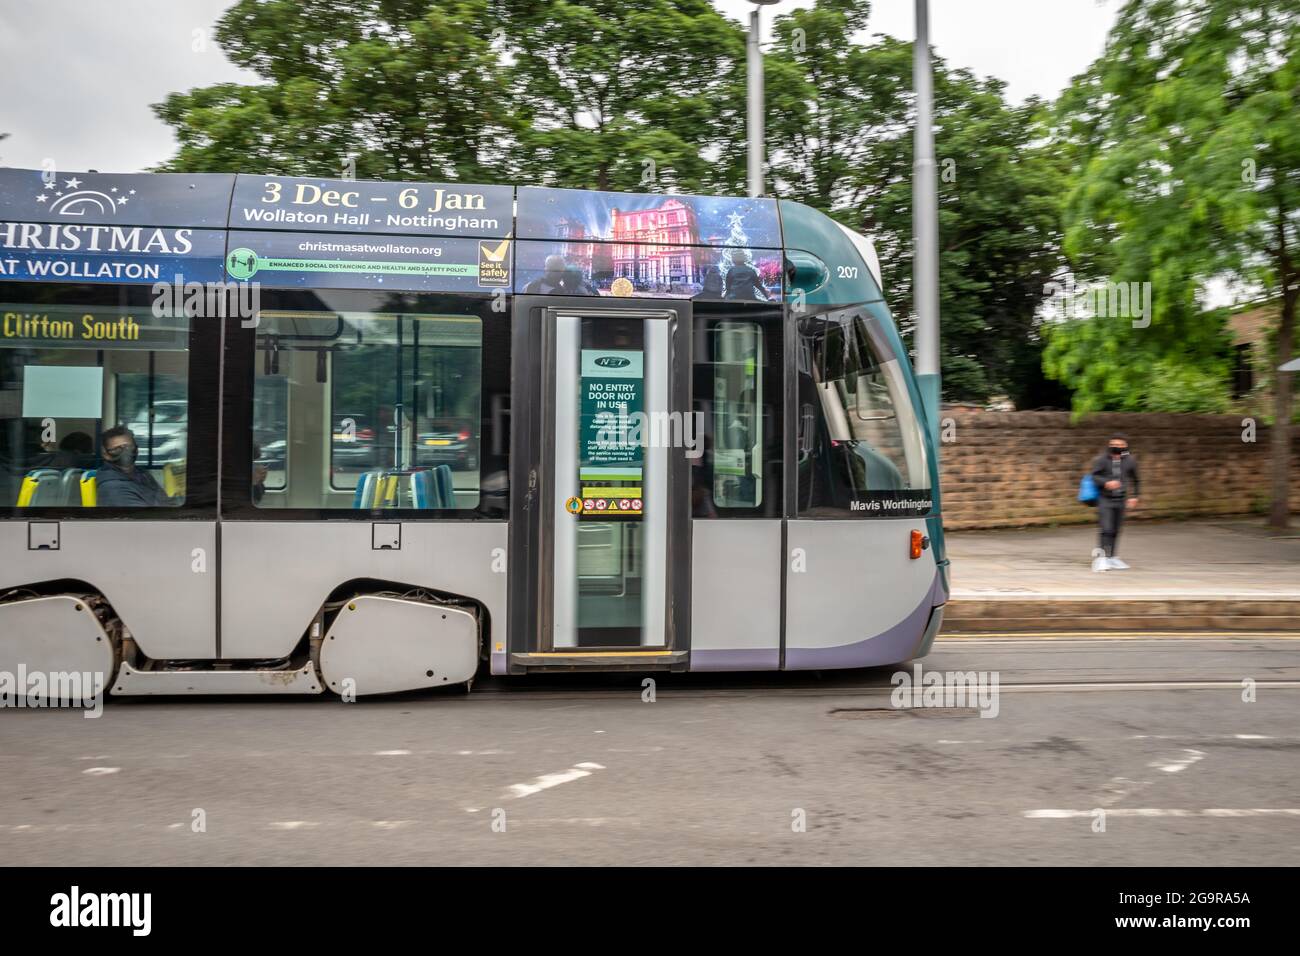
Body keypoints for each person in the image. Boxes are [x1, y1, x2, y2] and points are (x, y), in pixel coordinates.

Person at [1090, 433, 1140, 571]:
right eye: (1113, 445)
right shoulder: (1102, 459)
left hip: (1121, 500)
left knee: (1116, 530)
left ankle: (1112, 558)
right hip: (1105, 499)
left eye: (1119, 445)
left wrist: (1135, 496)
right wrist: (1106, 482)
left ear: (1125, 446)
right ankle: (1100, 559)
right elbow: (1094, 476)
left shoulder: (1130, 460)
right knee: (1106, 529)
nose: (1116, 447)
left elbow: (1136, 480)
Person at [95, 426, 172, 507]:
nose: (125, 452)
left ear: (137, 449)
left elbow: (166, 501)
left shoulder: (141, 473)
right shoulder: (113, 488)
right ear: (106, 455)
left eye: (129, 447)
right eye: (117, 449)